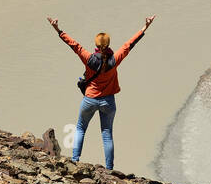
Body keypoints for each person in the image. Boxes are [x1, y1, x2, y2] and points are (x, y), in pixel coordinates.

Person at [47, 14, 155, 170]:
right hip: (108, 102)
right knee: (106, 134)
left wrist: (57, 28)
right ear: (108, 44)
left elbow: (74, 45)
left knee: (80, 129)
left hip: (89, 100)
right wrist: (145, 26)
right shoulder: (114, 59)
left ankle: (75, 160)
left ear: (96, 45)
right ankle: (109, 168)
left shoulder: (89, 58)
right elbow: (129, 44)